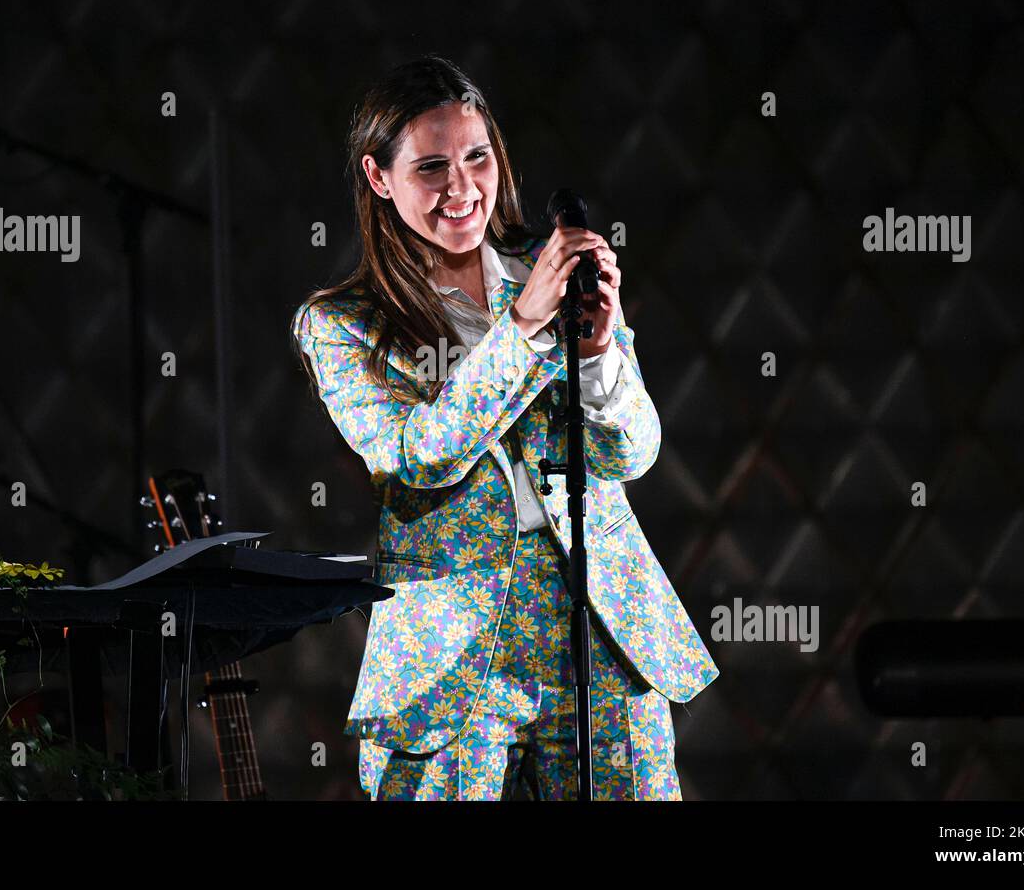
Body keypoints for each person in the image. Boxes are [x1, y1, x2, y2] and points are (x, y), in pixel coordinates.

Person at [291, 54, 718, 800]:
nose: (463, 189)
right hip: (449, 657)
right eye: (431, 167)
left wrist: (594, 358)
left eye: (477, 157)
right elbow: (414, 457)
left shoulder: (546, 268)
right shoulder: (342, 324)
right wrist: (522, 330)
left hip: (600, 624)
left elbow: (633, 453)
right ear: (379, 177)